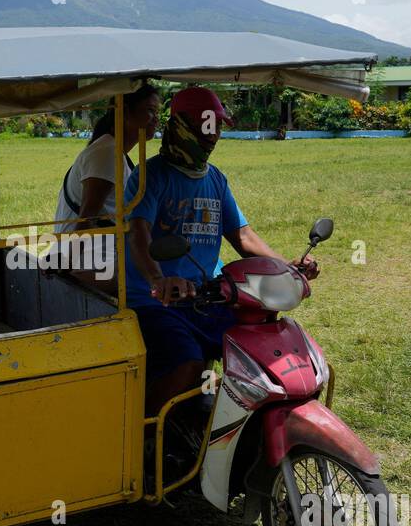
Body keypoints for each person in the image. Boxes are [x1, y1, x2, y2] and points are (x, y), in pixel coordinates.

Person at [124, 87, 318, 417]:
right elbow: (138, 234)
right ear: (182, 125)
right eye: (205, 126)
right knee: (188, 363)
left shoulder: (215, 179)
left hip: (207, 296)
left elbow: (242, 236)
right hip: (156, 300)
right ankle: (143, 435)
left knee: (259, 350)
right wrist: (158, 278)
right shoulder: (151, 176)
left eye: (216, 127)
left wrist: (285, 266)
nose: (213, 136)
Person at [52, 82, 162, 291]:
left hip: (98, 256)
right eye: (149, 111)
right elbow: (87, 218)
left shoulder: (115, 152)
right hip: (92, 261)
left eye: (156, 112)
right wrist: (66, 265)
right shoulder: (107, 153)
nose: (155, 119)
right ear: (125, 111)